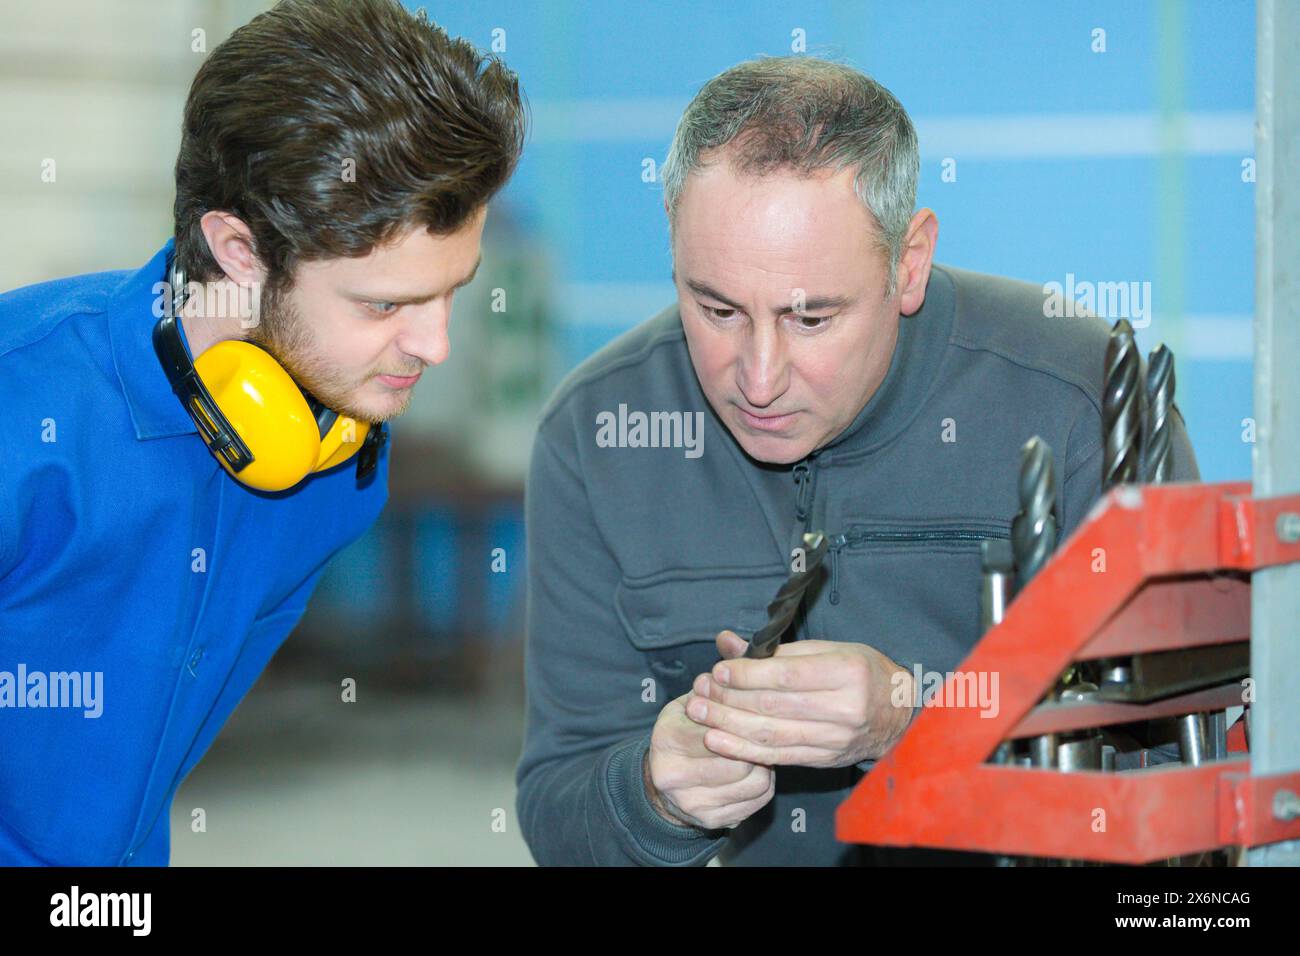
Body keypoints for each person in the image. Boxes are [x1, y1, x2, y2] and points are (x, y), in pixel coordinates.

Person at [515, 55, 1197, 866]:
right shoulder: (597, 436)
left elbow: (1188, 778)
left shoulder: (1080, 403)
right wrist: (652, 795)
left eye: (812, 319)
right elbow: (558, 813)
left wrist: (917, 717)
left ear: (907, 263)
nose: (759, 378)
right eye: (717, 308)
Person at [0, 0, 525, 865]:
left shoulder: (341, 463)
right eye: (385, 304)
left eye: (452, 290)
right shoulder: (25, 413)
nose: (435, 345)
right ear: (240, 254)